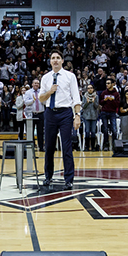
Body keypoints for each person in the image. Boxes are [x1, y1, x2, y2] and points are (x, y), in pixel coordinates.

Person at [38, 50, 82, 190]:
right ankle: (48, 176)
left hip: (65, 113)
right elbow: (41, 98)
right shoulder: (45, 78)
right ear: (50, 61)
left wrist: (77, 116)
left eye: (58, 58)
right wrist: (49, 92)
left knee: (66, 146)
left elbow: (76, 97)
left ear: (62, 61)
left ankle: (69, 179)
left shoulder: (70, 76)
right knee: (49, 147)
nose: (55, 60)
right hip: (50, 113)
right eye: (53, 58)